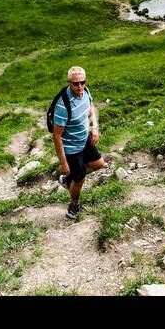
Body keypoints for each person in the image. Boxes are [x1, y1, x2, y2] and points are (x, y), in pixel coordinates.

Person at [51, 66, 103, 219]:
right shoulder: (63, 105)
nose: (79, 86)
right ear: (69, 83)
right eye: (75, 83)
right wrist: (63, 163)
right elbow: (56, 136)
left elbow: (91, 108)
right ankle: (73, 207)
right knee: (79, 178)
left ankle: (69, 180)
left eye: (82, 82)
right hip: (71, 148)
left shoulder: (85, 92)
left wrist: (95, 127)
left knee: (99, 163)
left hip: (84, 139)